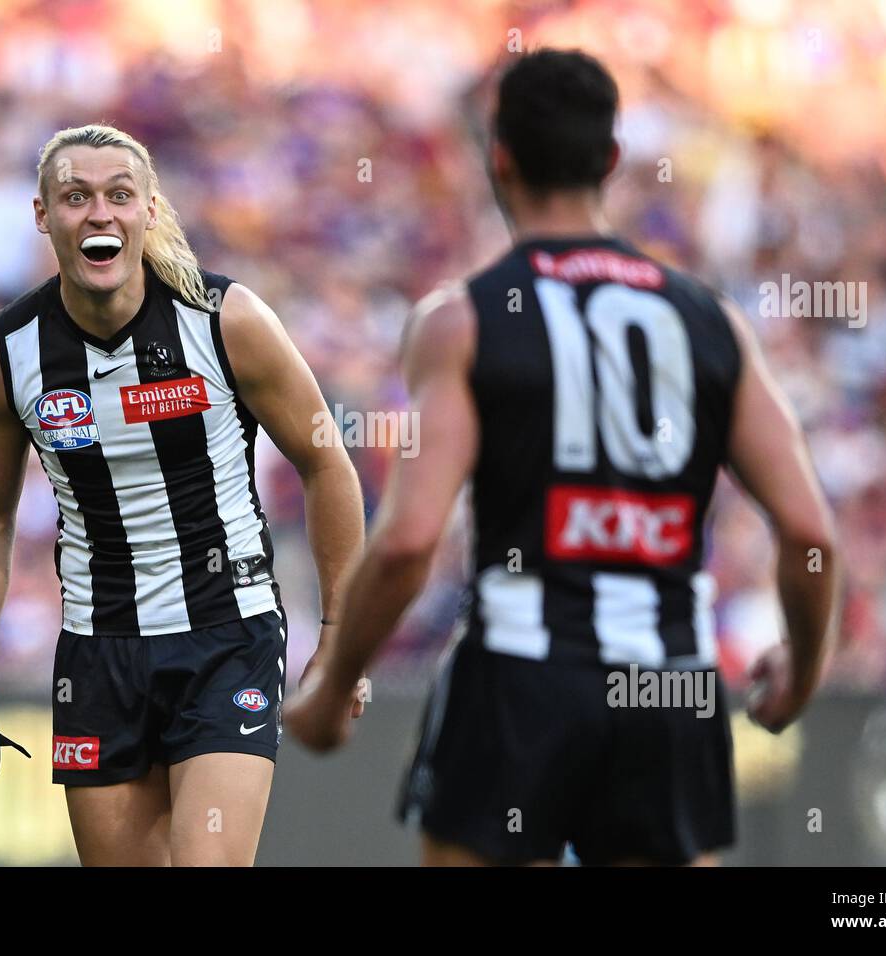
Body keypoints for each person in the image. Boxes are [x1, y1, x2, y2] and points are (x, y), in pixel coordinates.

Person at [285, 49, 841, 866]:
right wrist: (802, 669)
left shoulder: (464, 320)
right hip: (668, 685)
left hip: (518, 678)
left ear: (499, 157)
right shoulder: (710, 322)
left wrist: (332, 688)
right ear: (611, 159)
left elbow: (407, 543)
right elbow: (810, 534)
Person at [0, 124, 365, 866]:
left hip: (227, 635)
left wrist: (338, 640)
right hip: (98, 651)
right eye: (76, 197)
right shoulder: (6, 353)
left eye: (119, 196)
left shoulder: (223, 320)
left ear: (148, 211)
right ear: (43, 216)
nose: (99, 214)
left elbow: (328, 465)